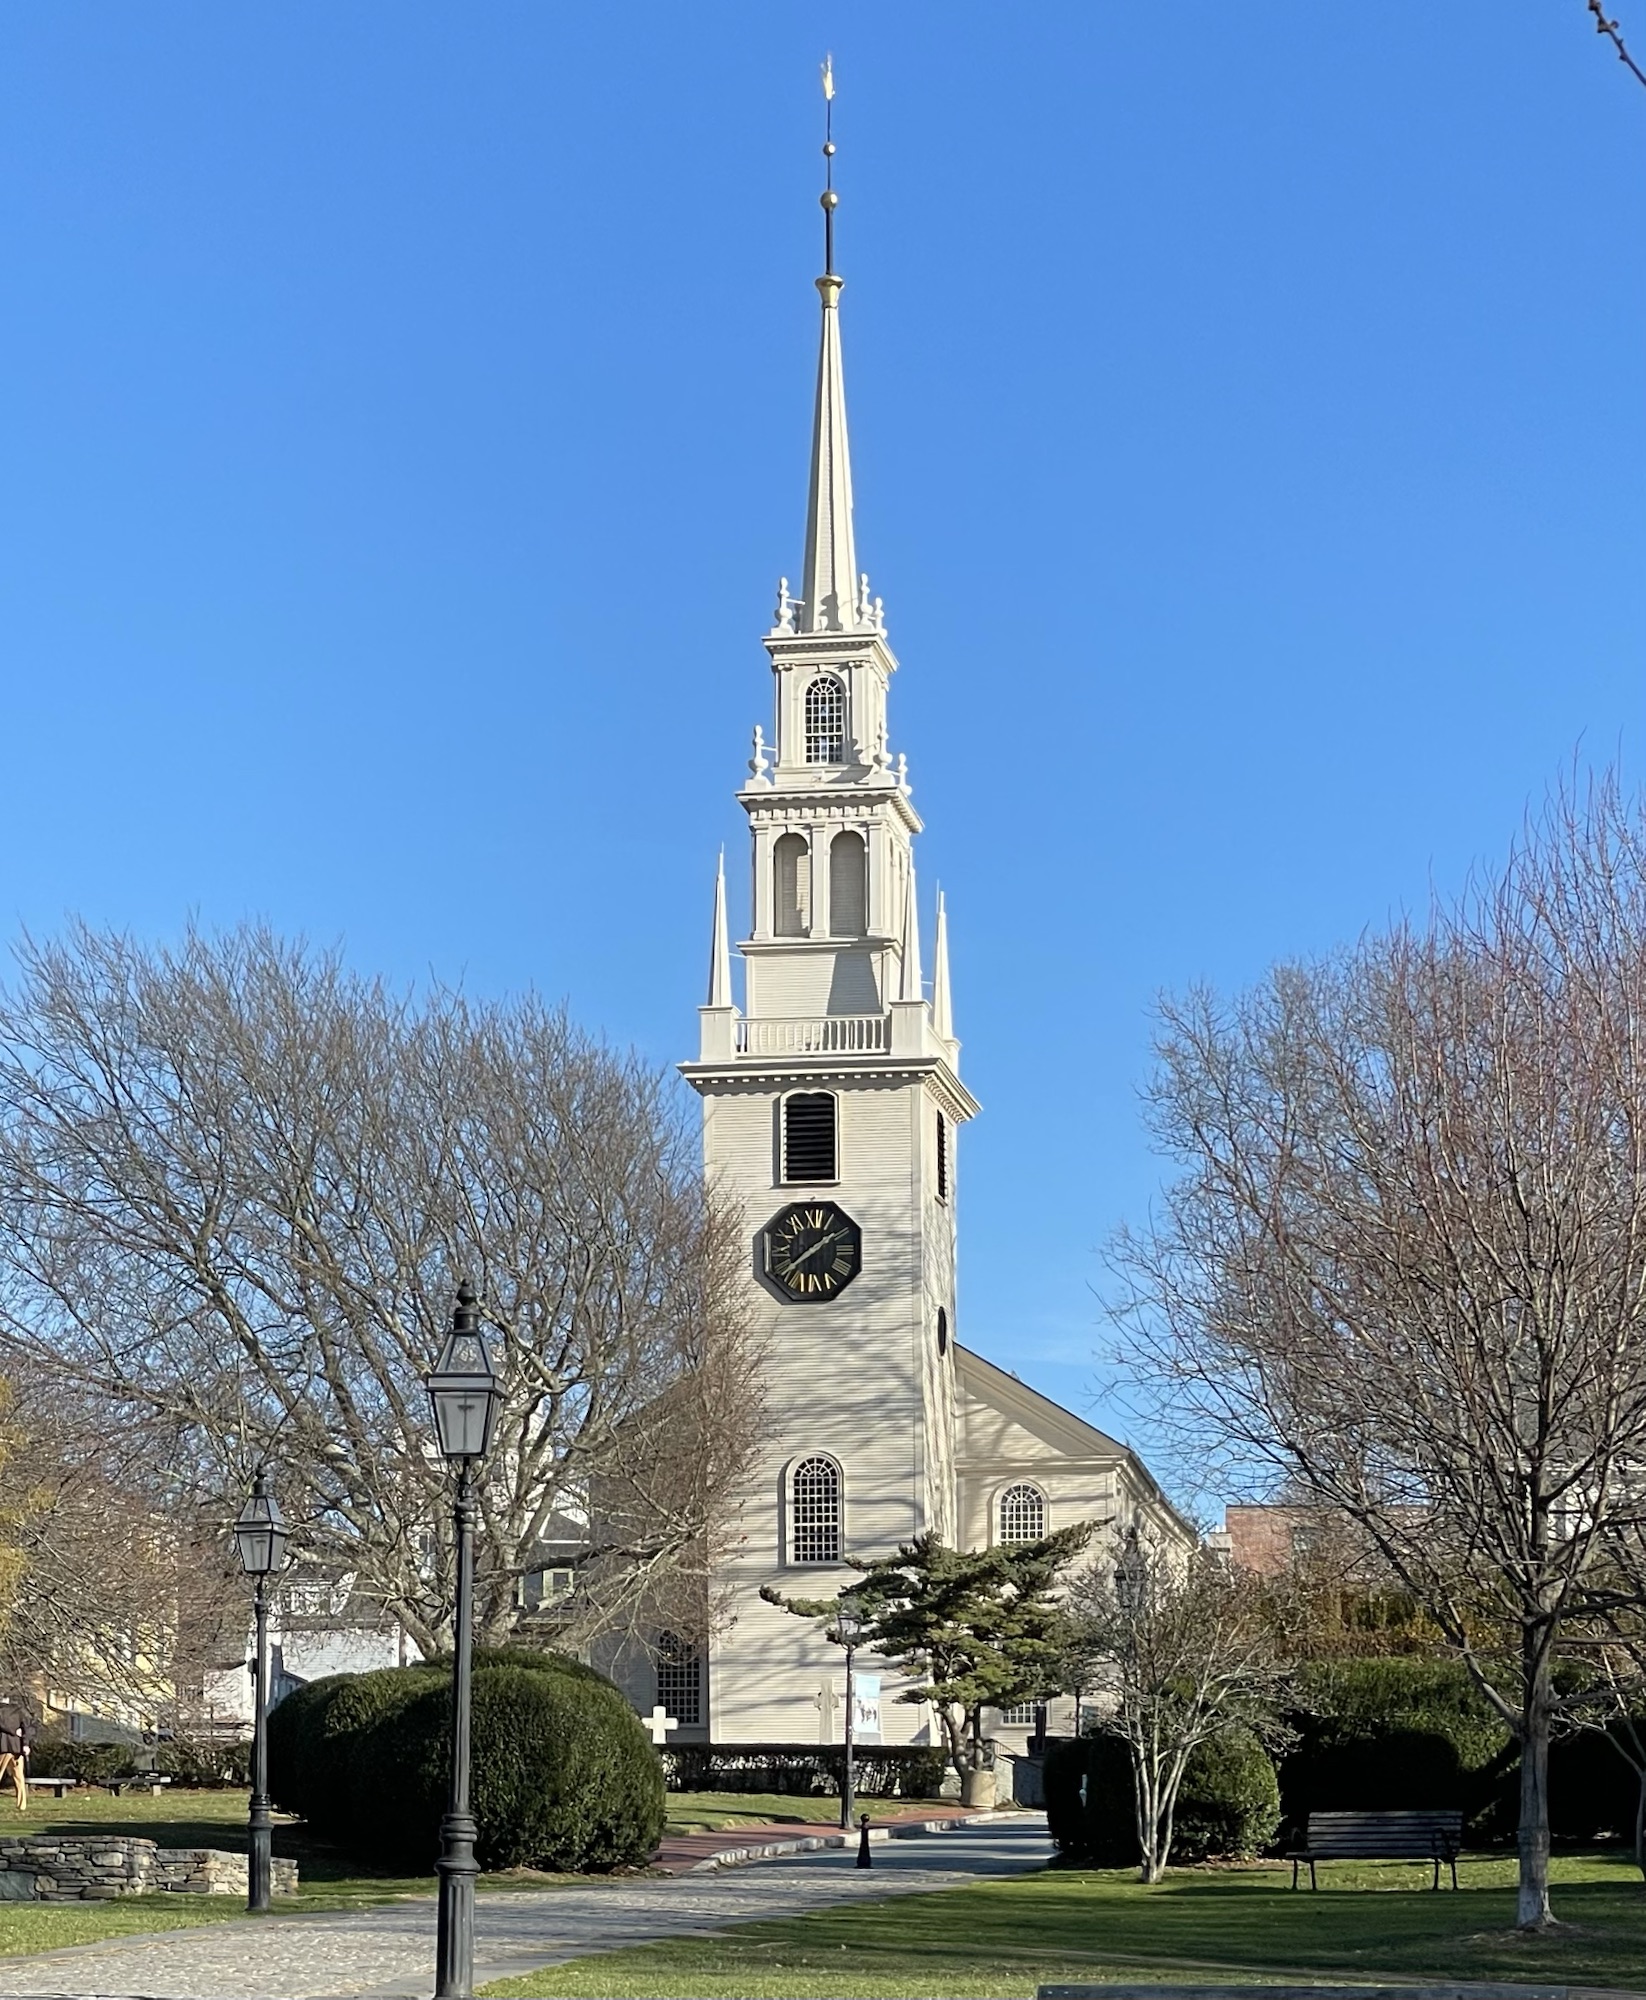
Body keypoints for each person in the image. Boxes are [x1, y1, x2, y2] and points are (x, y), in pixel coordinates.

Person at [0, 1706, 30, 1812]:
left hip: (3, 1747)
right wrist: (25, 1744)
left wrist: (12, 1731)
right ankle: (22, 1804)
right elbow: (26, 1729)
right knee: (19, 1777)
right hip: (17, 1748)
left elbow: (2, 1725)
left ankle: (22, 1804)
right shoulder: (19, 1711)